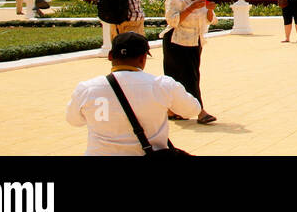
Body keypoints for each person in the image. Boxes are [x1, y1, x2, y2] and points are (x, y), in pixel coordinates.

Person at [66, 32, 200, 155]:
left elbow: (73, 121)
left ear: (110, 56)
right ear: (143, 58)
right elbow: (193, 110)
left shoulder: (87, 88)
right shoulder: (163, 85)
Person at [161, 0, 217, 124]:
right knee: (179, 77)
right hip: (176, 40)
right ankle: (200, 112)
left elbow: (209, 20)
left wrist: (209, 9)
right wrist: (190, 8)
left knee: (192, 75)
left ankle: (175, 110)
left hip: (194, 41)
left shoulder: (202, 0)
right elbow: (172, 21)